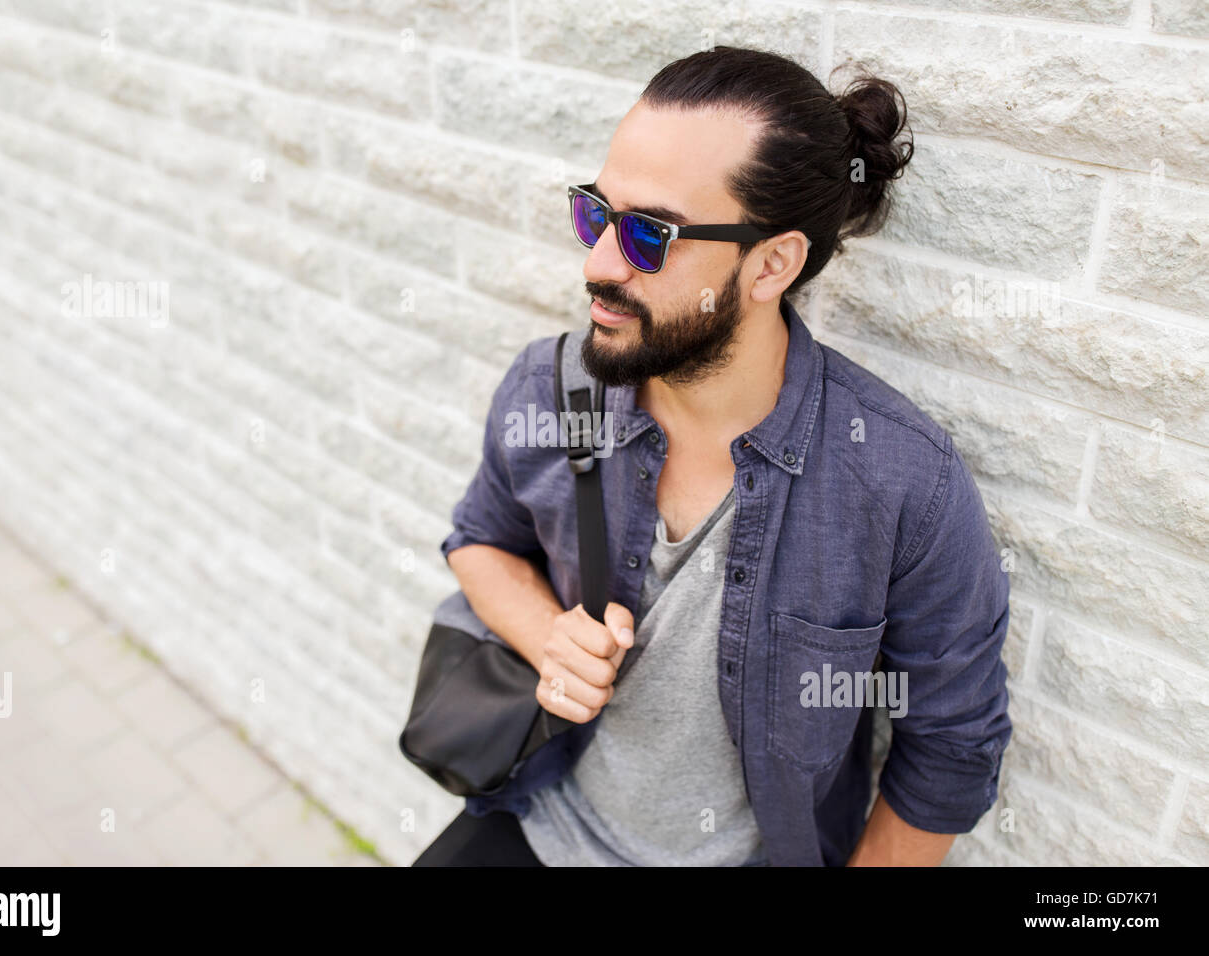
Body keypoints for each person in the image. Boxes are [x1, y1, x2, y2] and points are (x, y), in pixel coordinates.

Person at [413, 45, 1011, 867]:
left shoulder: (902, 480)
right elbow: (480, 537)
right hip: (542, 818)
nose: (599, 264)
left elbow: (951, 746)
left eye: (650, 235)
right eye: (597, 213)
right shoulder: (551, 388)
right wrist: (548, 635)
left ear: (772, 263)